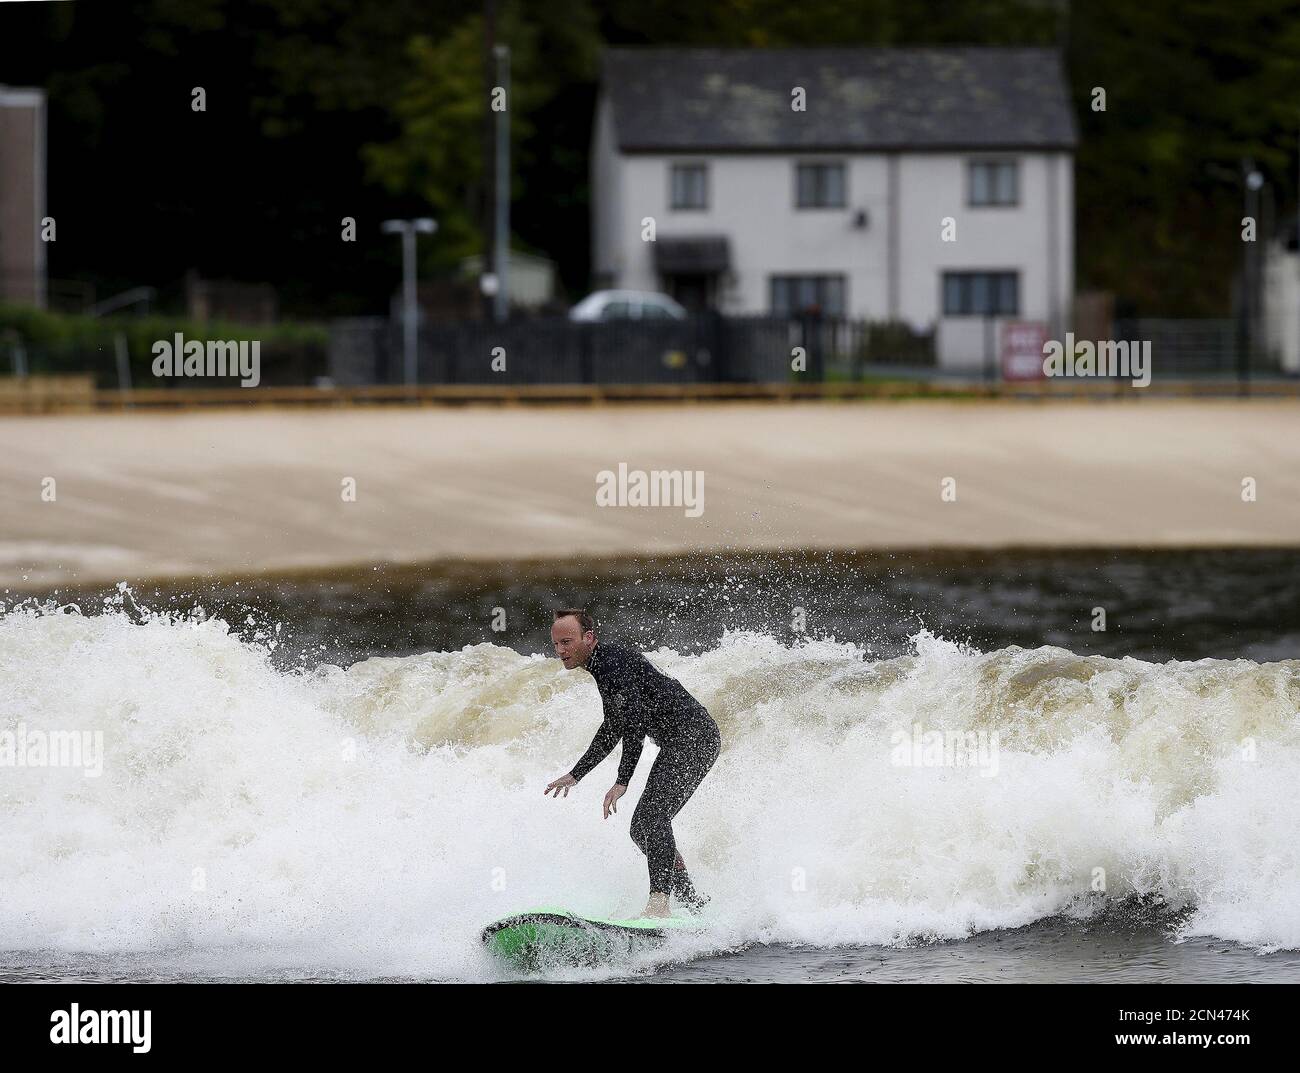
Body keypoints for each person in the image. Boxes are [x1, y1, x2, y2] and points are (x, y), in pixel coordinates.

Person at [545, 608, 720, 918]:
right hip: (680, 742)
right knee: (642, 828)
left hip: (694, 738)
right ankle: (691, 902)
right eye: (556, 644)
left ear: (590, 638)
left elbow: (635, 726)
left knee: (652, 819)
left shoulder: (614, 664)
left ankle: (659, 906)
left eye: (567, 642)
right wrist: (576, 774)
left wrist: (622, 781)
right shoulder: (601, 666)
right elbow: (613, 725)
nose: (560, 651)